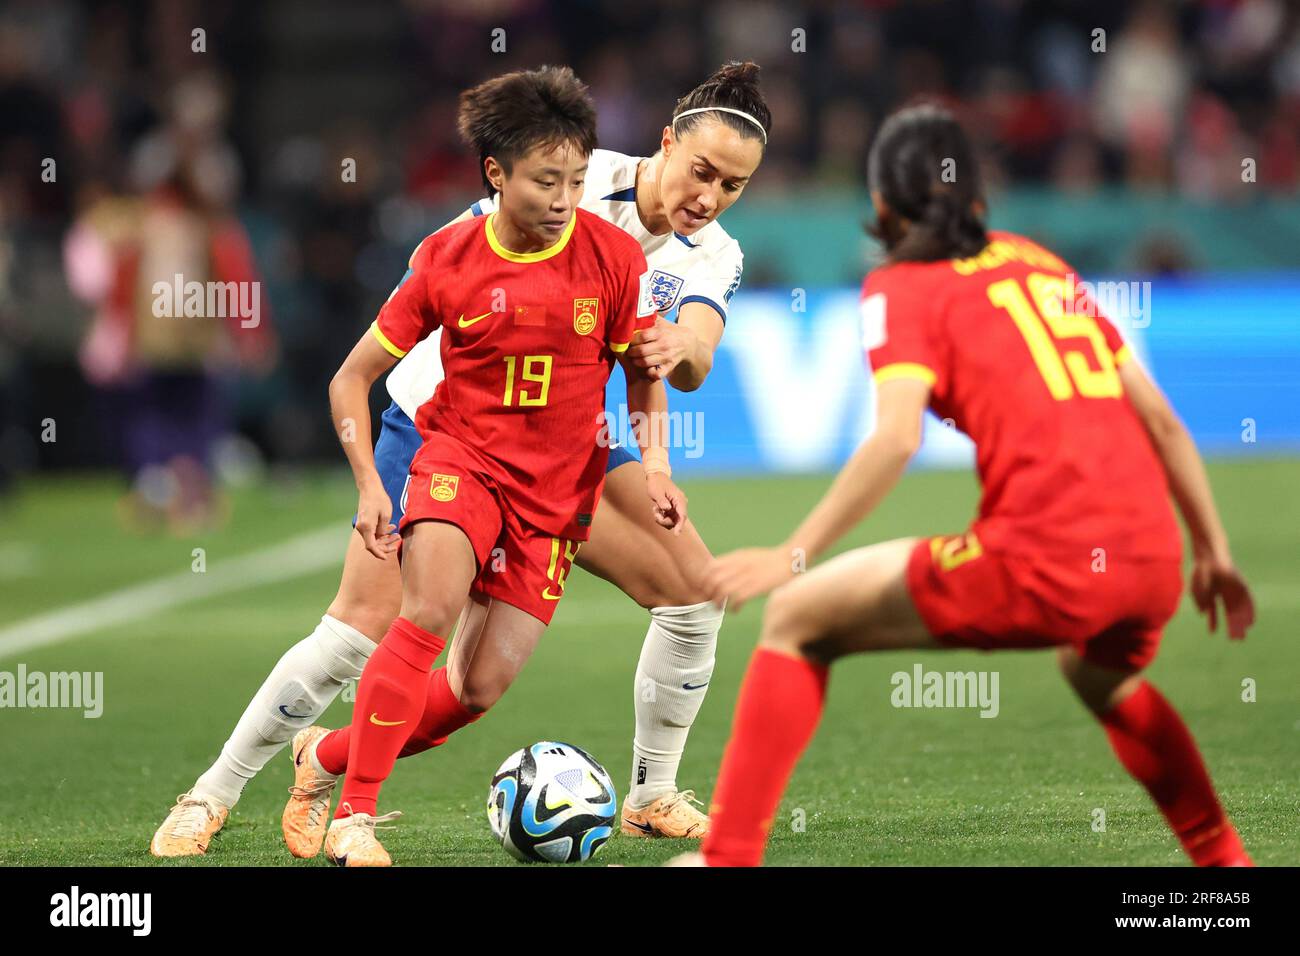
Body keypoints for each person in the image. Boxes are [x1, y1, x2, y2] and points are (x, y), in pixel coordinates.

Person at [151, 62, 770, 856]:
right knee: (360, 632)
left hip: (565, 437)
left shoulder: (713, 255)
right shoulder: (571, 171)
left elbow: (690, 359)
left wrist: (681, 349)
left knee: (691, 599)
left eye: (734, 186)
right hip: (450, 420)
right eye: (702, 171)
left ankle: (650, 793)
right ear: (664, 145)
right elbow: (471, 260)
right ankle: (213, 793)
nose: (710, 197)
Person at [687, 104, 1255, 868]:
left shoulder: (903, 287)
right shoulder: (1038, 260)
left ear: (883, 205)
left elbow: (895, 438)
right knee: (1100, 676)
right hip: (1152, 558)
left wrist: (791, 553)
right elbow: (1161, 420)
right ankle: (1225, 868)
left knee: (796, 614)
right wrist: (1213, 551)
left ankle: (726, 858)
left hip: (1046, 557)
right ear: (977, 198)